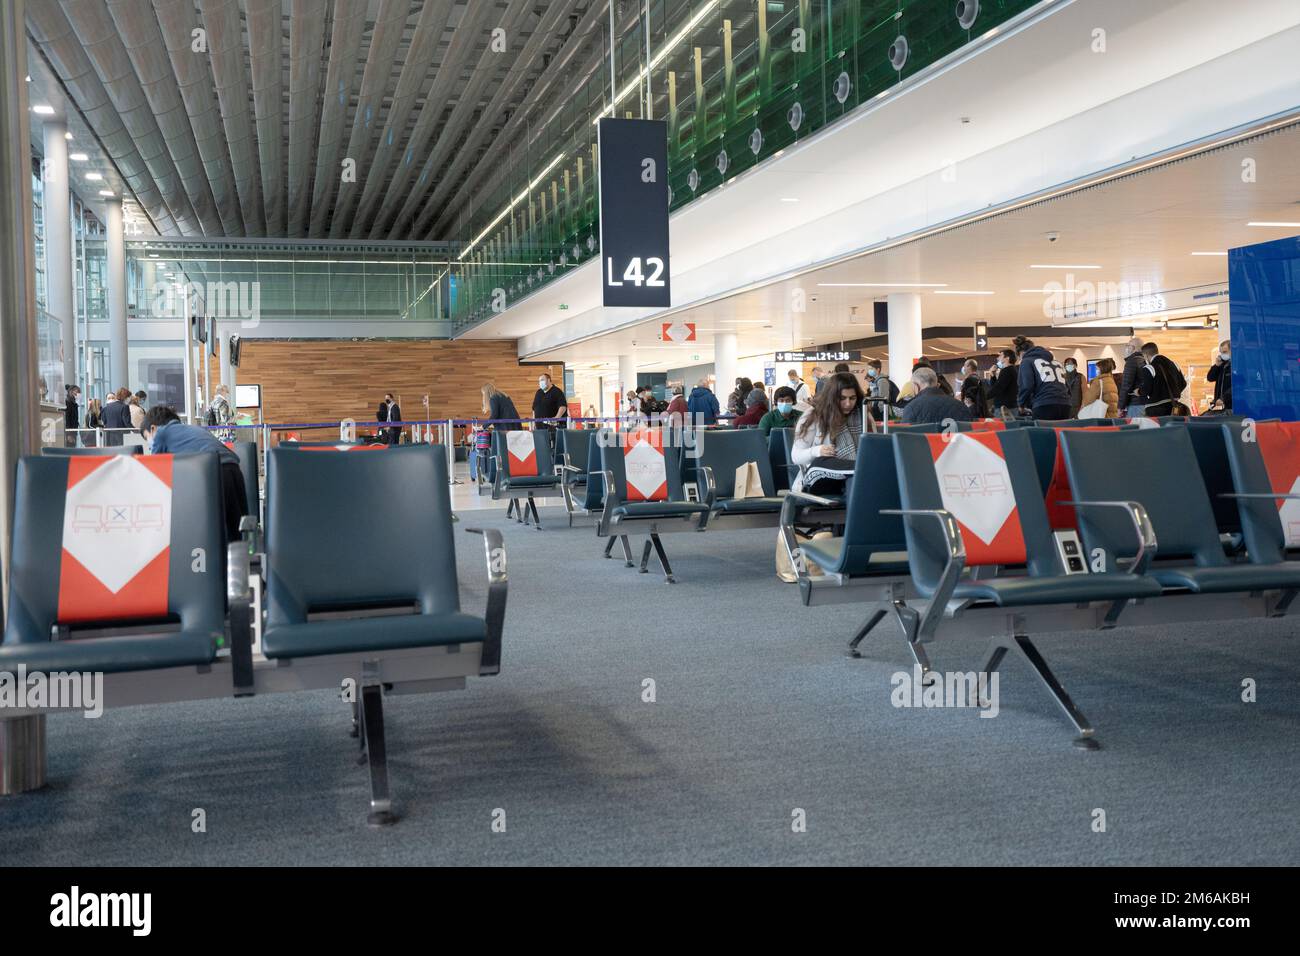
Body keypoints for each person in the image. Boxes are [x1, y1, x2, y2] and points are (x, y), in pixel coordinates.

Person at [140, 405, 248, 543]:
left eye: (146, 437)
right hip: (233, 467)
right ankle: (242, 561)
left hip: (216, 470)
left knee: (218, 529)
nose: (149, 444)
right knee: (237, 526)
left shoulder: (161, 433)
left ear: (153, 428)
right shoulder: (191, 430)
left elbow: (155, 471)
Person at [790, 371, 868, 494]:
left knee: (856, 473)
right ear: (832, 397)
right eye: (842, 398)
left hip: (850, 478)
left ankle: (859, 468)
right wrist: (817, 451)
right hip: (818, 479)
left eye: (852, 398)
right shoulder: (813, 415)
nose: (848, 403)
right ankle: (862, 468)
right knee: (823, 462)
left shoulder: (863, 416)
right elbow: (796, 456)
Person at [1013, 335, 1071, 421]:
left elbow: (1027, 386)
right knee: (1060, 433)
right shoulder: (1056, 362)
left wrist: (1021, 404)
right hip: (1065, 405)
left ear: (1021, 354)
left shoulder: (1026, 361)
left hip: (1044, 405)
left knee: (1042, 434)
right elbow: (1067, 386)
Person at [901, 368, 975, 425]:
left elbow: (905, 440)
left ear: (916, 386)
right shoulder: (961, 406)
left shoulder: (911, 408)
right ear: (938, 385)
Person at [1135, 342, 1186, 417]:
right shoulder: (1174, 364)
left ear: (1145, 355)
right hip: (1173, 405)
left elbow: (1147, 389)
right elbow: (1183, 384)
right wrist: (1173, 393)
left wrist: (1138, 391)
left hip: (1155, 408)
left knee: (1157, 428)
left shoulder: (1149, 368)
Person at [532, 373, 568, 440]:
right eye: (539, 381)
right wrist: (534, 421)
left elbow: (563, 406)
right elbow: (534, 408)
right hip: (539, 427)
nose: (540, 382)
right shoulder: (538, 392)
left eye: (542, 380)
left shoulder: (557, 391)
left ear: (548, 380)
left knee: (553, 445)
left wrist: (556, 418)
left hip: (552, 426)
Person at [1117, 336, 1147, 417]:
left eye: (1128, 346)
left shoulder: (1131, 362)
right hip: (1144, 402)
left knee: (1133, 428)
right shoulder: (1145, 360)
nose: (1126, 348)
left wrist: (1120, 407)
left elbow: (1126, 385)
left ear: (1132, 348)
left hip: (1135, 404)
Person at [988, 349, 1018, 414]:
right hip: (1009, 406)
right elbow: (997, 387)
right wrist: (993, 375)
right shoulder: (1012, 369)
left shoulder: (1007, 370)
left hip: (1005, 408)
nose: (997, 358)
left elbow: (997, 389)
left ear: (1007, 358)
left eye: (1000, 356)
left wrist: (982, 397)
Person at [1207, 340, 1232, 412]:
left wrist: (1223, 398)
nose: (1222, 355)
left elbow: (1237, 386)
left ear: (1232, 351)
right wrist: (1216, 366)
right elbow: (1210, 378)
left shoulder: (1237, 366)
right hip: (1223, 405)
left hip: (1233, 403)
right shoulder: (1222, 365)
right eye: (1221, 353)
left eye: (1225, 352)